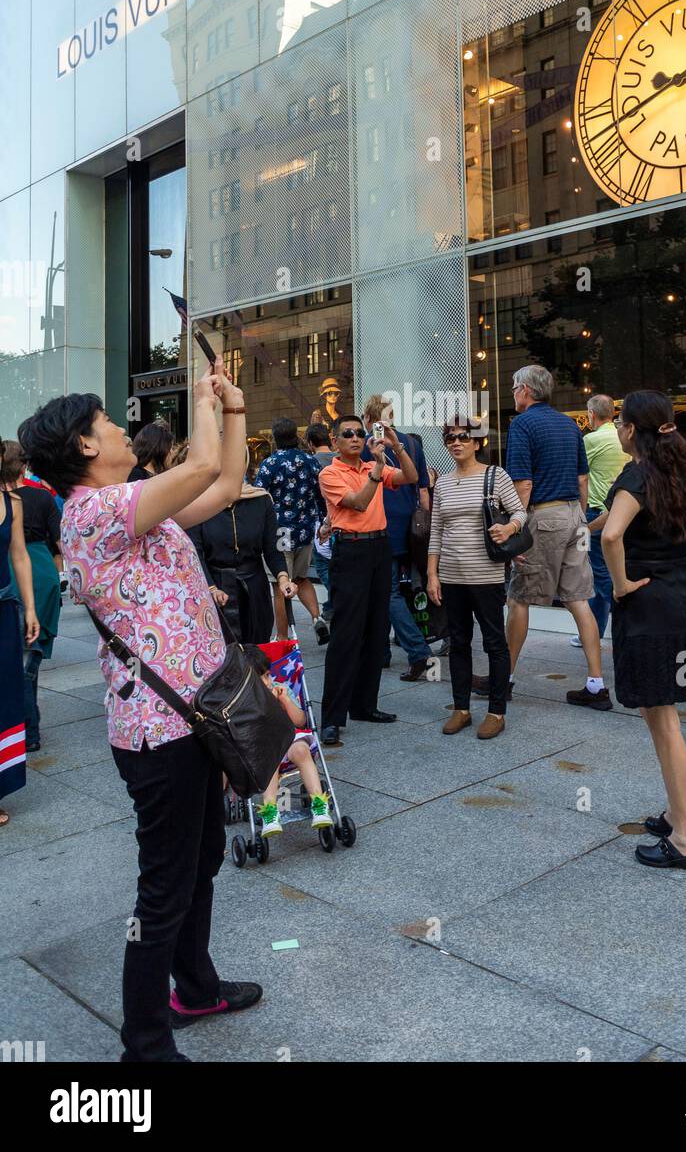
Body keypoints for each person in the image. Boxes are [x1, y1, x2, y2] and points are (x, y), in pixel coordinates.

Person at [19, 362, 262, 1060]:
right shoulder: (93, 514)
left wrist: (232, 408)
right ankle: (145, 1044)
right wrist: (205, 397)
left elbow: (221, 485)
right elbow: (206, 464)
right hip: (160, 735)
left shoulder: (132, 502)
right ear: (84, 447)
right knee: (165, 886)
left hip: (198, 718)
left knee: (203, 859)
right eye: (107, 422)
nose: (123, 426)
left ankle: (197, 986)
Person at [601, 390, 686, 871]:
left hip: (646, 605)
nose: (620, 429)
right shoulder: (683, 475)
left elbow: (613, 535)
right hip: (677, 602)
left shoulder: (636, 474)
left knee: (665, 721)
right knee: (658, 710)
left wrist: (621, 583)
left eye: (622, 422)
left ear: (631, 429)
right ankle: (674, 814)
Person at [481, 364, 605, 709]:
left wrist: (515, 529)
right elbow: (583, 480)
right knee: (579, 600)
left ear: (525, 390)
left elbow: (523, 483)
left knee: (519, 597)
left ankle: (503, 679)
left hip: (543, 515)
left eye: (514, 386)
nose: (513, 392)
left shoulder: (521, 424)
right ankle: (596, 683)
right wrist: (579, 516)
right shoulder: (569, 424)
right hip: (574, 515)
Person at [317, 416, 418, 745]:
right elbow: (359, 503)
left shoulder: (370, 465)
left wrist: (395, 444)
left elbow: (411, 476)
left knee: (376, 631)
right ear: (335, 441)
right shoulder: (330, 473)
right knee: (346, 634)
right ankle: (332, 717)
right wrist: (376, 467)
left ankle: (364, 705)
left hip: (380, 547)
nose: (356, 438)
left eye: (360, 433)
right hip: (351, 550)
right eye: (347, 434)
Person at [428, 418, 526, 740]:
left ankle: (497, 711)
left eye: (463, 438)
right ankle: (461, 709)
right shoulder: (442, 484)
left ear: (477, 443)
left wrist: (509, 528)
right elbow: (437, 532)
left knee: (494, 643)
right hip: (452, 576)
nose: (456, 443)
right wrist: (432, 573)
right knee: (459, 643)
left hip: (486, 575)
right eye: (450, 438)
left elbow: (520, 514)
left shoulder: (495, 476)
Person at [362, 395, 432, 682]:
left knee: (386, 592)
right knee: (396, 589)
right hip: (411, 527)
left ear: (369, 418)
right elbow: (423, 486)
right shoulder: (411, 443)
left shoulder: (368, 445)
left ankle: (418, 652)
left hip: (383, 524)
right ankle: (382, 653)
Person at [1, 440, 62, 752]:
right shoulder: (42, 497)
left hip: (16, 573)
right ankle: (29, 728)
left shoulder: (13, 501)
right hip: (42, 574)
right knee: (31, 656)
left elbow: (18, 553)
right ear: (23, 466)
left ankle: (28, 729)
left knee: (22, 658)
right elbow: (61, 540)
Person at [189, 480, 295, 644]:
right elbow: (195, 553)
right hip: (216, 587)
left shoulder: (261, 499)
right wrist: (212, 588)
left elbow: (273, 548)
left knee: (258, 647)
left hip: (255, 587)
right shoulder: (199, 501)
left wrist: (283, 579)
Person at [243, 644, 333, 837]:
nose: (268, 682)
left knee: (302, 750)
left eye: (268, 675)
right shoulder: (244, 701)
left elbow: (300, 721)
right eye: (262, 679)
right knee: (270, 758)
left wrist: (285, 702)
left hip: (290, 739)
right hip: (263, 748)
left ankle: (319, 804)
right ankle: (270, 811)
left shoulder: (280, 688)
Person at [255, 418, 329, 645]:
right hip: (305, 530)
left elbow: (259, 497)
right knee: (302, 578)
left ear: (276, 439)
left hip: (279, 532)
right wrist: (323, 522)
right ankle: (317, 618)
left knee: (280, 584)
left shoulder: (269, 464)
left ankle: (283, 636)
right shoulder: (310, 461)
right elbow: (320, 496)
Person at [0, 436, 39, 827]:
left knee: (4, 697)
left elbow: (19, 555)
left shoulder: (12, 503)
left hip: (3, 610)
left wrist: (29, 607)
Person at [576, 395, 630, 640]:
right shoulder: (623, 437)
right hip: (625, 512)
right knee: (619, 570)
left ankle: (595, 631)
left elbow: (581, 477)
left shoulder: (590, 439)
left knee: (597, 574)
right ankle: (610, 628)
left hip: (596, 513)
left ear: (591, 414)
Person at [306, 423, 334, 621]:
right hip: (344, 520)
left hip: (320, 523)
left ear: (310, 443)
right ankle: (332, 604)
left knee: (323, 566)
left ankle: (335, 601)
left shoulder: (310, 462)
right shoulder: (341, 459)